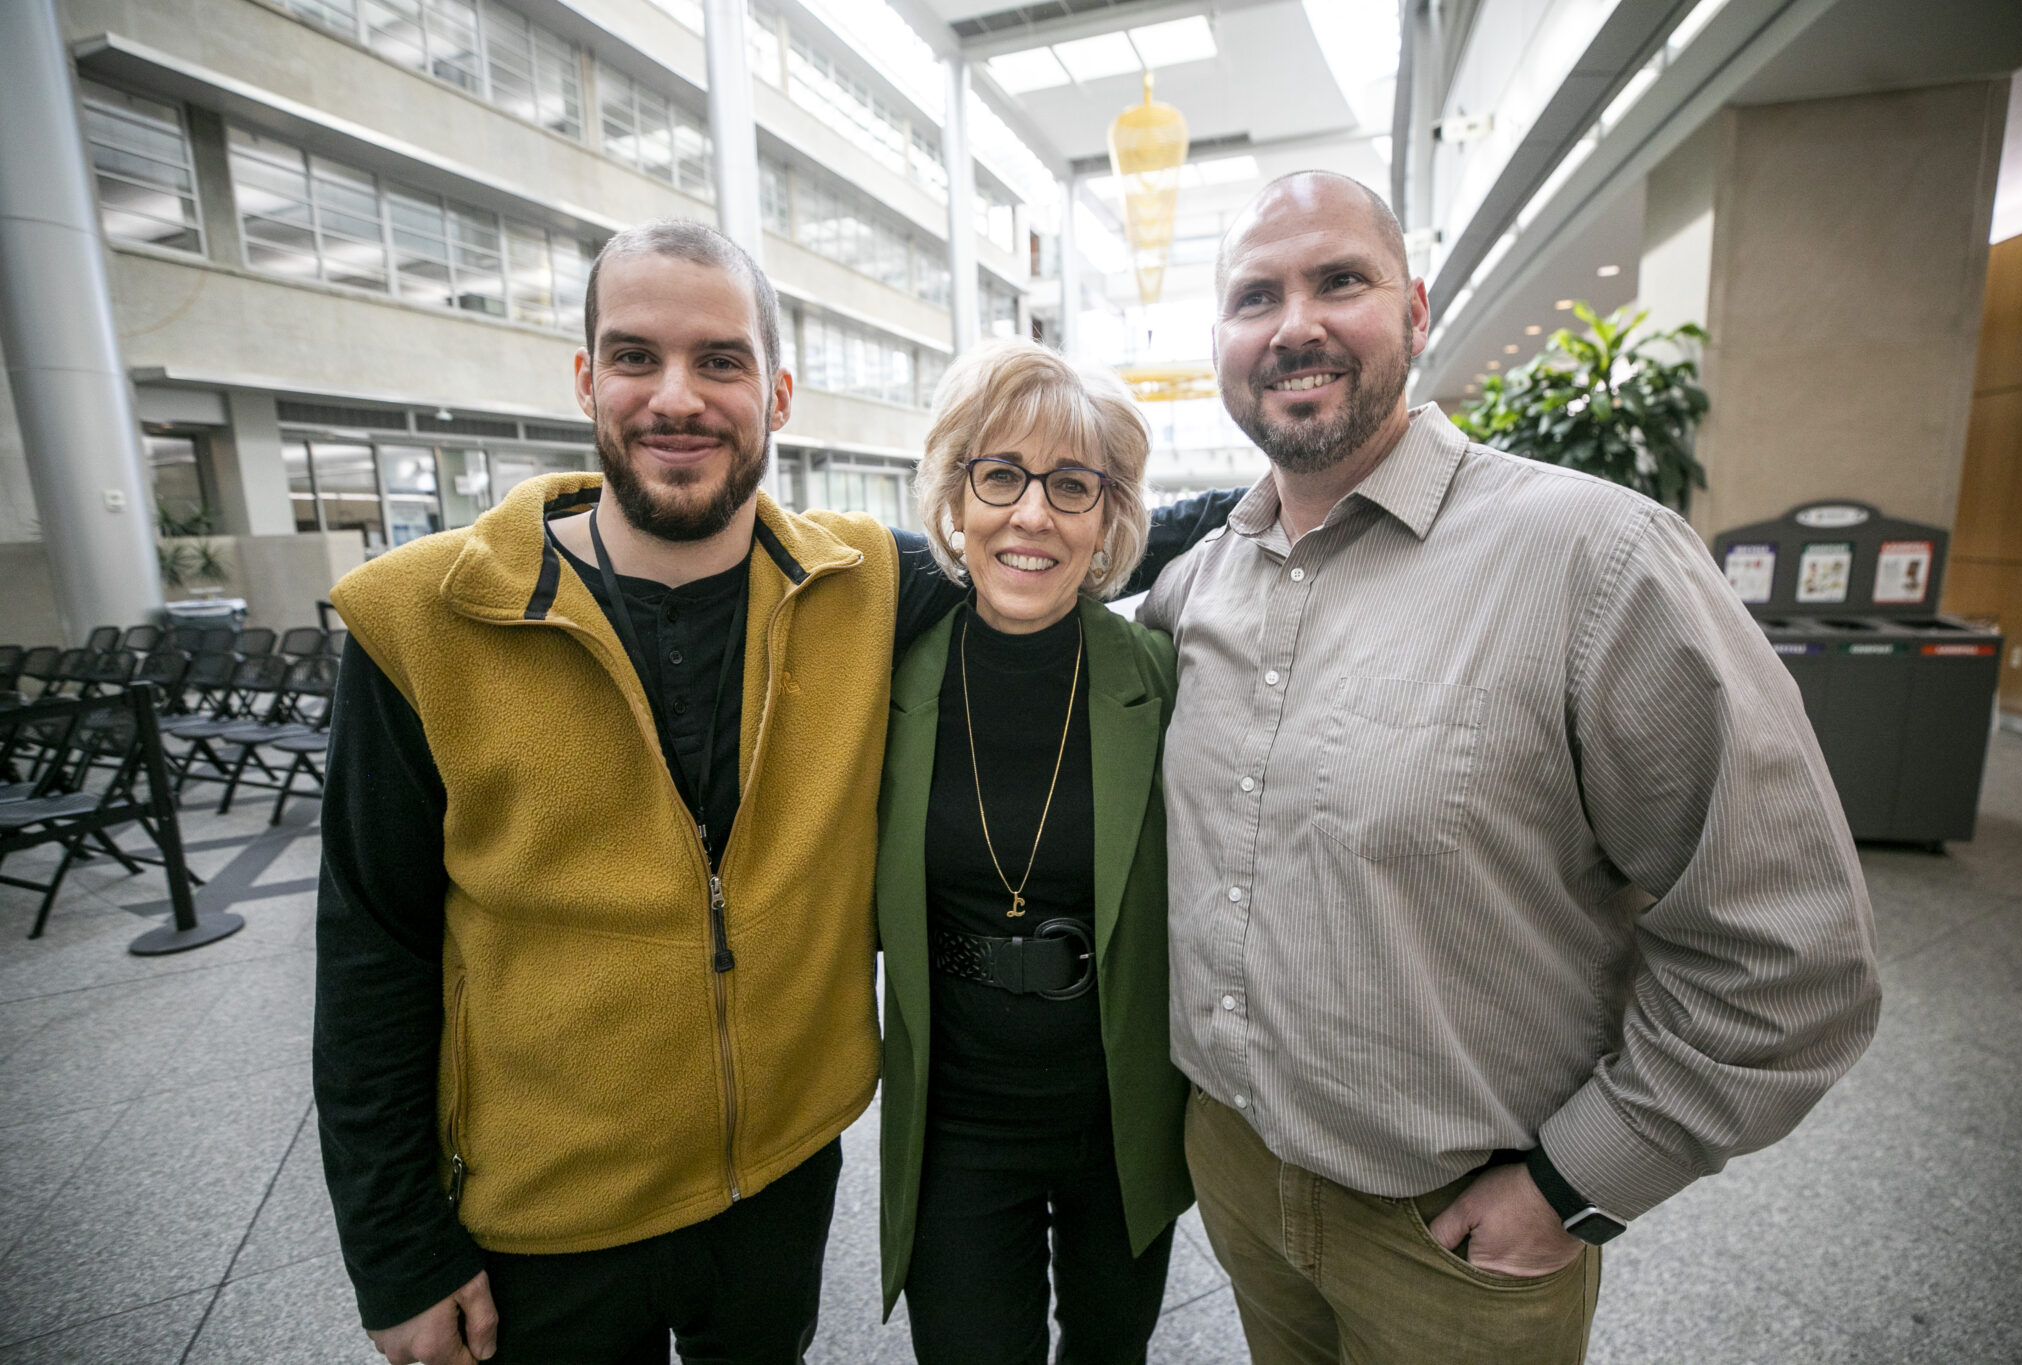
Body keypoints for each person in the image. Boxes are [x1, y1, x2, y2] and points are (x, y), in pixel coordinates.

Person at [313, 220, 1237, 1365]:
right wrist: (398, 1251)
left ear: (777, 394)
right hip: (545, 1223)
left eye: (720, 360)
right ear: (585, 378)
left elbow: (1045, 540)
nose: (677, 396)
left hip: (777, 1187)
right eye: (635, 356)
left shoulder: (856, 584)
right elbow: (372, 954)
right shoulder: (423, 622)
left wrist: (1312, 477)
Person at [1137, 171, 1882, 1365]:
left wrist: (1575, 1184)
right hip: (1232, 1169)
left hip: (1456, 1237)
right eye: (1253, 296)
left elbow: (1789, 942)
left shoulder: (1594, 561)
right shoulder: (1192, 590)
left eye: (1339, 280)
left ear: (1414, 312)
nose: (1293, 325)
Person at [874, 339, 1191, 1364]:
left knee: (1111, 1349)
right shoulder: (886, 679)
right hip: (959, 1119)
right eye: (1001, 475)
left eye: (1071, 485)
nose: (1032, 514)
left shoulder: (1163, 677)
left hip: (1119, 1104)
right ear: (954, 498)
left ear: (1108, 519)